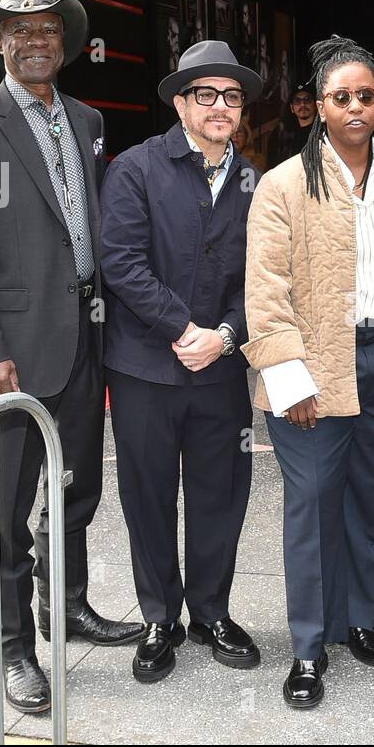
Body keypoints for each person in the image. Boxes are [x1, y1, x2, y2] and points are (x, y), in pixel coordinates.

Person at [0, 0, 145, 714]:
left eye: (48, 30)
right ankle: (14, 647)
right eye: (20, 30)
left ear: (67, 43)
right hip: (15, 350)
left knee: (75, 486)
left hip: (86, 335)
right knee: (6, 509)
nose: (35, 40)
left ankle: (71, 605)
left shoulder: (87, 118)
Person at [244, 35, 374, 709]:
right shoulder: (281, 185)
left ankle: (358, 620)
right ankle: (307, 647)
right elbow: (266, 289)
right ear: (318, 108)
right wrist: (288, 377)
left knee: (373, 503)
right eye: (341, 97)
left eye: (366, 95)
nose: (355, 106)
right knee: (311, 508)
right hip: (315, 364)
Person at [99, 41, 263, 684]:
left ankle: (212, 612)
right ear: (179, 101)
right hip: (144, 368)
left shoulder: (256, 180)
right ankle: (159, 617)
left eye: (232, 96)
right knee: (147, 493)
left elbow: (271, 276)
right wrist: (181, 328)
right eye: (206, 95)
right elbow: (121, 262)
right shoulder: (136, 168)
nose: (221, 107)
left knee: (220, 494)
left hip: (222, 368)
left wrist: (225, 335)